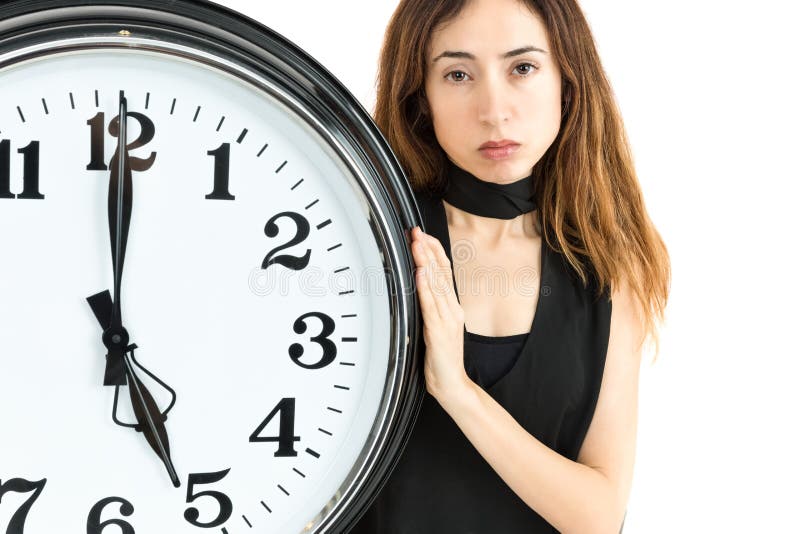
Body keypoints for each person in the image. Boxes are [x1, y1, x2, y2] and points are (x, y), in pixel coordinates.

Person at [351, 0, 671, 532]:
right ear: (420, 98)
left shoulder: (610, 266)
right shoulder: (366, 242)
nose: (494, 110)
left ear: (567, 82)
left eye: (522, 68)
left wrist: (458, 392)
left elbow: (598, 516)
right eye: (457, 74)